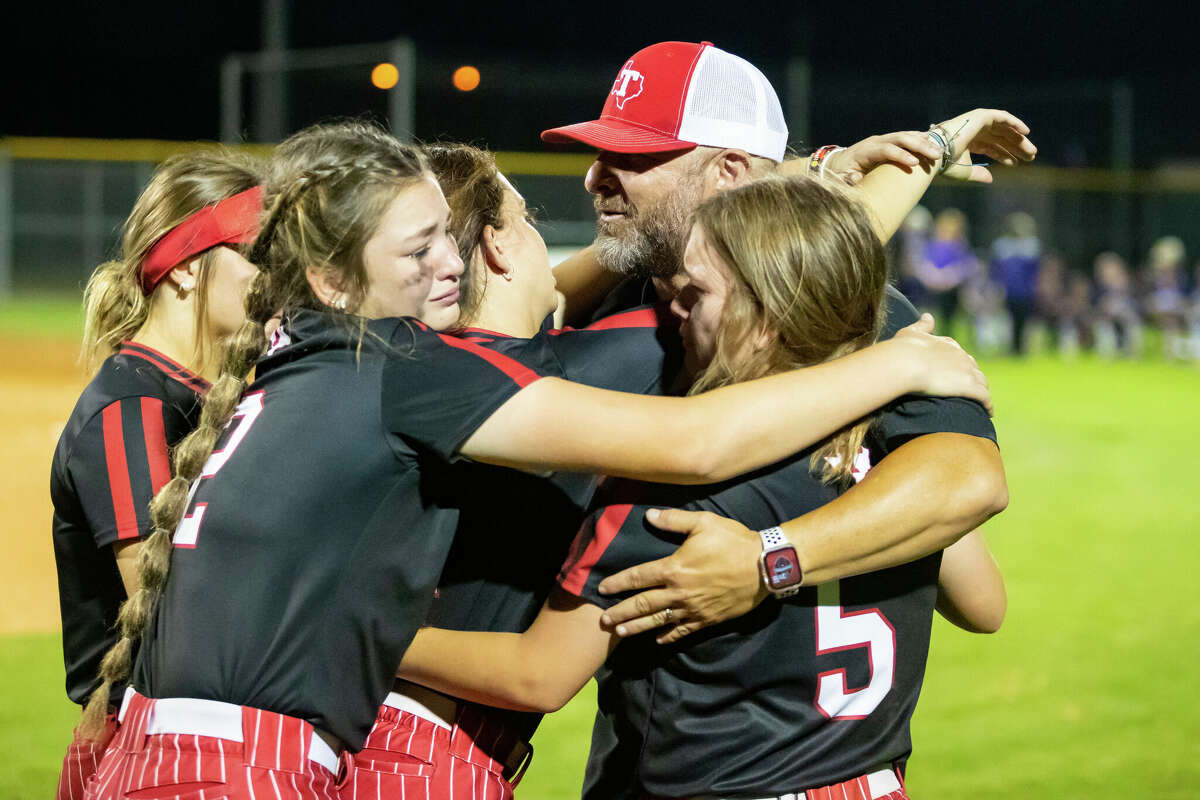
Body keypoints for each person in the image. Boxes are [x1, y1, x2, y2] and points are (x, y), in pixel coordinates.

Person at [81, 122, 988, 800]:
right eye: (518, 221)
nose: (550, 245)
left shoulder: (323, 357)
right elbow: (746, 358)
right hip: (352, 757)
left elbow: (764, 290)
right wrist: (898, 357)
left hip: (194, 742)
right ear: (496, 251)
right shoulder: (464, 381)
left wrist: (830, 176)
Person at [396, 175, 1006, 799]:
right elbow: (985, 605)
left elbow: (539, 675)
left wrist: (375, 636)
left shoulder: (666, 494)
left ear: (765, 317)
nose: (675, 310)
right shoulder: (891, 470)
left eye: (698, 291)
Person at [531, 41, 1029, 645]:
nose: (593, 177)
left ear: (731, 172)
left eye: (633, 155)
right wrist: (821, 169)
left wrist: (769, 561)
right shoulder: (863, 333)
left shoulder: (874, 320)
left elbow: (972, 499)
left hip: (708, 719)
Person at [50, 150, 263, 800]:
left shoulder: (209, 397)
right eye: (257, 253)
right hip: (142, 753)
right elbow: (167, 608)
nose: (275, 275)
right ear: (185, 271)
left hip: (197, 739)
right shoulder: (130, 407)